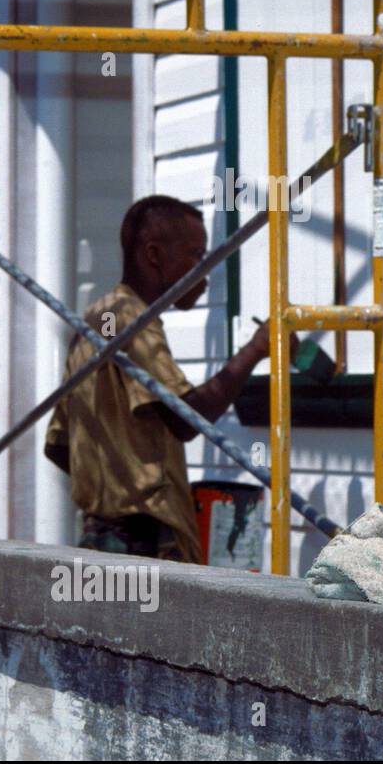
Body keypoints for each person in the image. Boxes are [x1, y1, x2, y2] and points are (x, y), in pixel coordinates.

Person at [44, 195, 286, 564]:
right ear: (154, 255)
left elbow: (59, 446)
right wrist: (257, 348)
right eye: (195, 255)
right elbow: (187, 416)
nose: (205, 269)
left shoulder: (95, 317)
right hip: (144, 543)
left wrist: (118, 477)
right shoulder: (129, 318)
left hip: (101, 537)